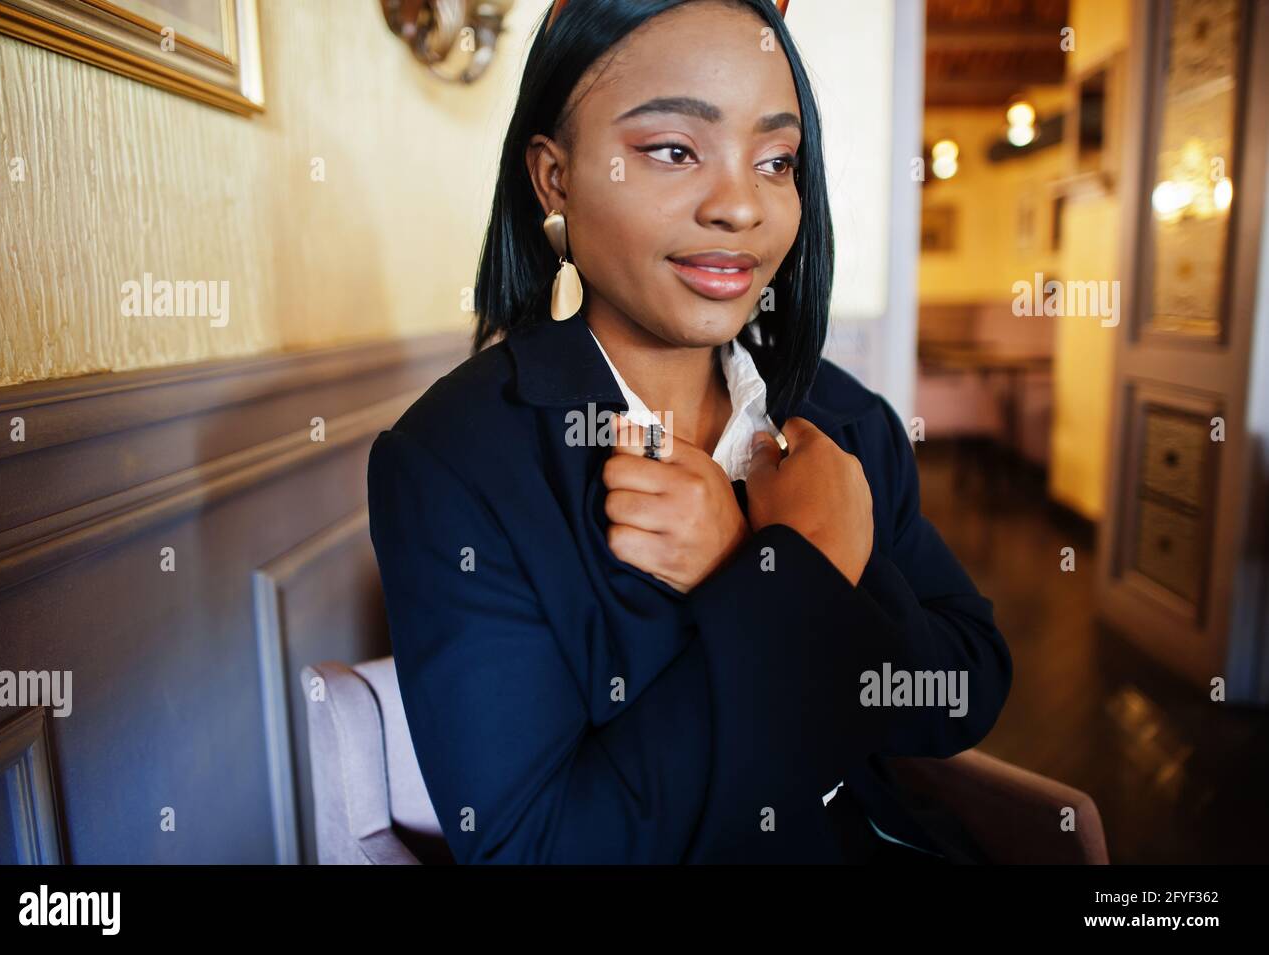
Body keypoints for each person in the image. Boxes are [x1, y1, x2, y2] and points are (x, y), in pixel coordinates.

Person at [367, 0, 1013, 864]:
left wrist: (744, 553)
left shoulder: (843, 421)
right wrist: (794, 569)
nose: (741, 207)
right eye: (673, 150)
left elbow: (962, 687)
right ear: (555, 178)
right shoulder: (456, 465)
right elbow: (544, 847)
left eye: (775, 160)